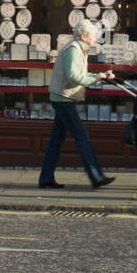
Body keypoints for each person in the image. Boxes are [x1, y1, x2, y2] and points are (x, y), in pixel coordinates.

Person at [38, 19, 115, 190]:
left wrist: (99, 75)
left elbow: (77, 73)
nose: (95, 38)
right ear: (83, 36)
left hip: (63, 97)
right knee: (81, 137)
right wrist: (97, 77)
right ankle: (96, 176)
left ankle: (45, 178)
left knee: (56, 141)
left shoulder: (78, 48)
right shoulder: (73, 49)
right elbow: (73, 76)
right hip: (64, 98)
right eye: (93, 35)